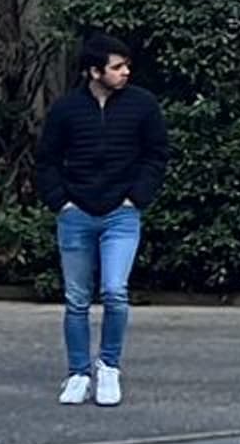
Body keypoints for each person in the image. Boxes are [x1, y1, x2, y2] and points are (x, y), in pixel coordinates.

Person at [34, 29, 168, 406]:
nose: (126, 72)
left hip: (121, 215)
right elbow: (46, 160)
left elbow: (156, 154)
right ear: (94, 72)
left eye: (126, 65)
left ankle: (109, 367)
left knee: (114, 290)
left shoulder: (142, 105)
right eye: (117, 66)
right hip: (75, 214)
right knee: (76, 299)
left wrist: (136, 198)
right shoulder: (65, 110)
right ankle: (78, 373)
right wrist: (61, 202)